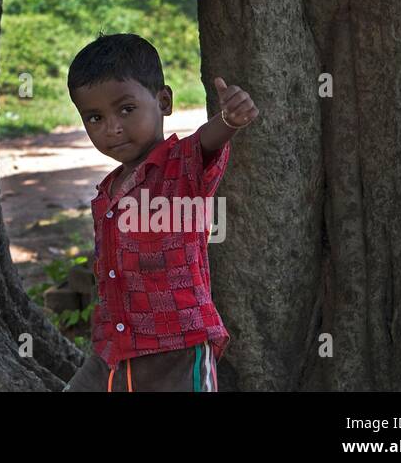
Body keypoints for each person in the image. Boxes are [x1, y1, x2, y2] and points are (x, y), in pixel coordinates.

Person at [62, 33, 258, 391]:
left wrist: (228, 120)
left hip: (177, 348)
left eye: (126, 109)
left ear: (163, 101)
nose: (112, 128)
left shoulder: (181, 167)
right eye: (94, 118)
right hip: (114, 349)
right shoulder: (108, 190)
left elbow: (206, 141)